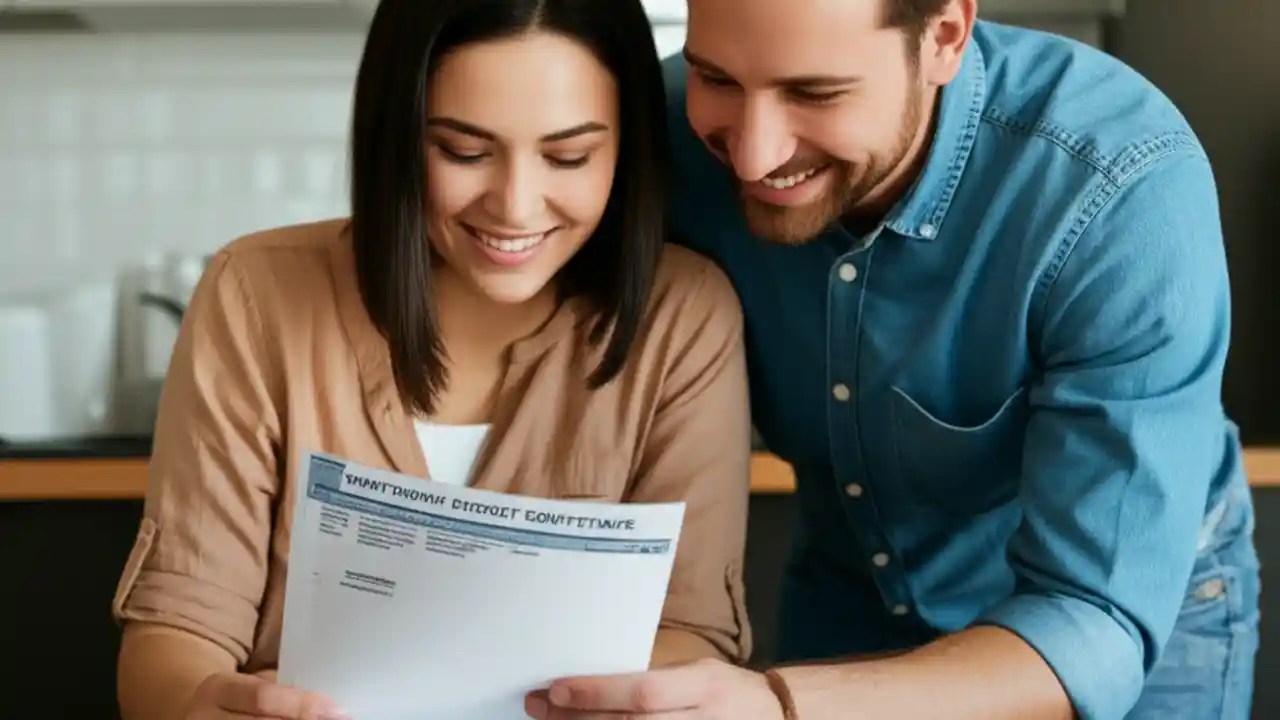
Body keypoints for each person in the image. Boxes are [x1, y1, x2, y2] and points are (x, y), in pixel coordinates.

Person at [526, 1, 1260, 719]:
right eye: (716, 79)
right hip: (853, 584)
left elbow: (1093, 613)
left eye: (815, 93)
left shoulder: (1118, 181)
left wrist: (779, 704)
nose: (753, 154)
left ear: (944, 36)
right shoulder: (660, 134)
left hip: (1118, 606)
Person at [111, 0, 757, 717]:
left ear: (626, 149)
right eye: (464, 152)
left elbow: (692, 636)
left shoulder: (682, 317)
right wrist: (198, 704)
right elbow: (176, 633)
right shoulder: (257, 296)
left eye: (569, 156)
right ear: (397, 137)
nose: (515, 206)